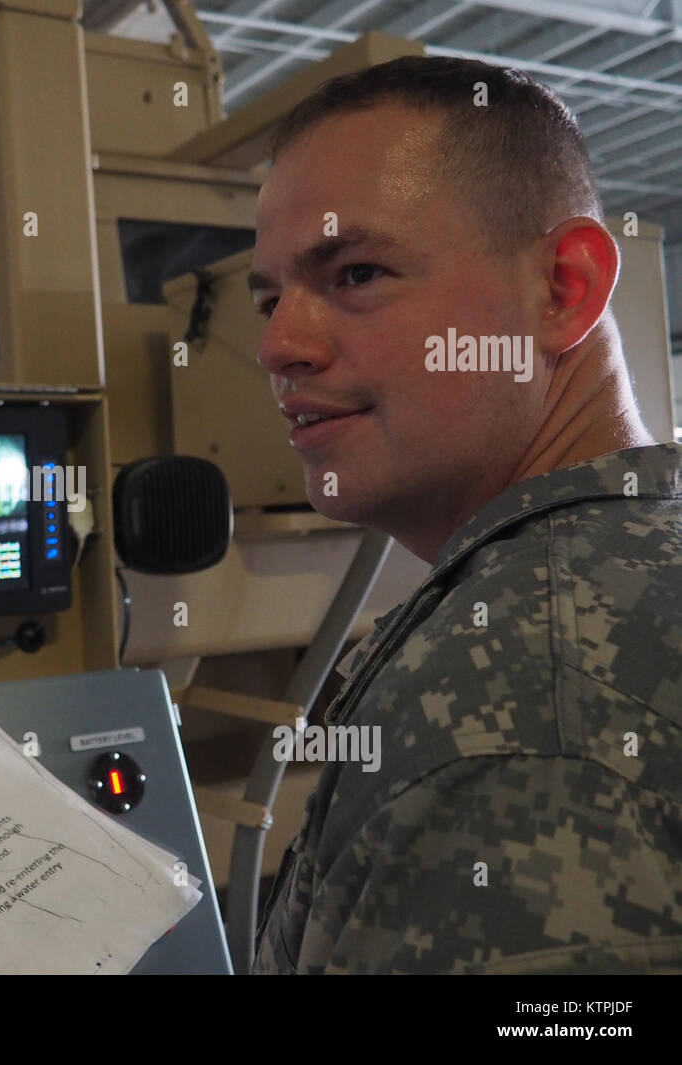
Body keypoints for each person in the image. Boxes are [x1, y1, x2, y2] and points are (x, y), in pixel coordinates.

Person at [246, 55, 682, 973]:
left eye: (357, 272)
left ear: (563, 288)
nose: (280, 344)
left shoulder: (518, 698)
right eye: (269, 296)